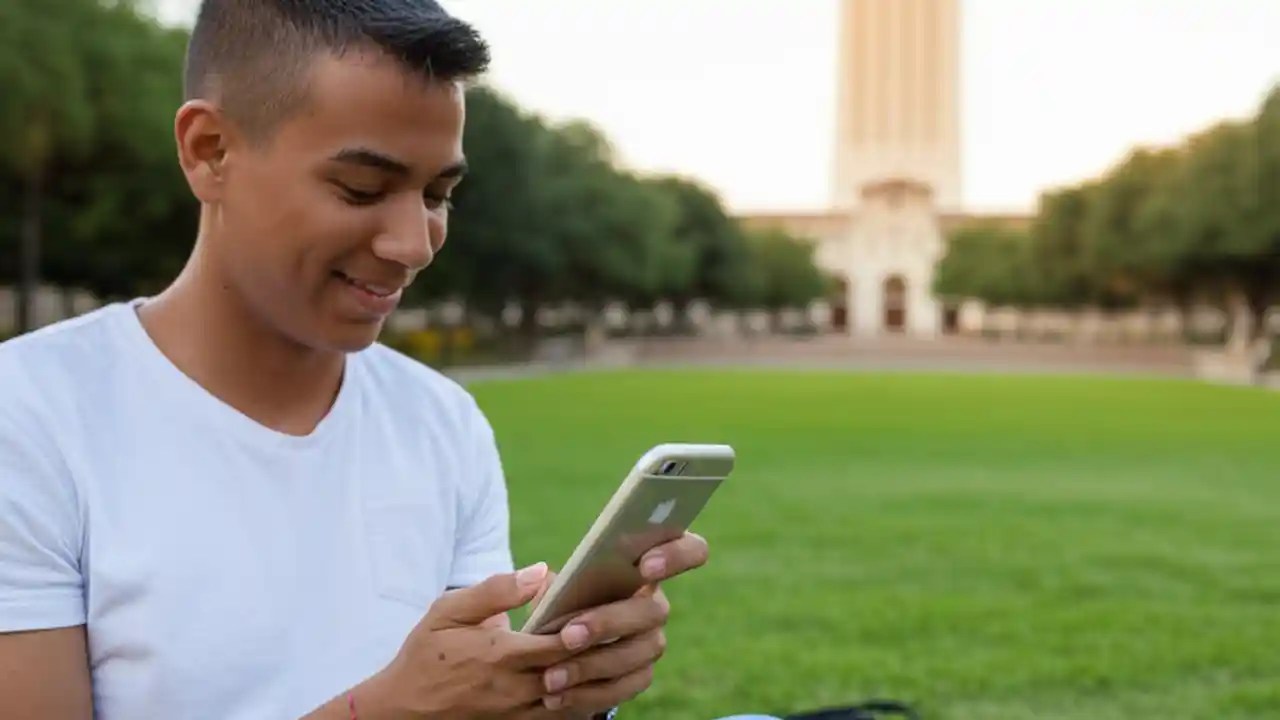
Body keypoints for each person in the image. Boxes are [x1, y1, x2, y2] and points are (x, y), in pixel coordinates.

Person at [0, 1, 783, 718]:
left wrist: (558, 687)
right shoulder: (32, 418)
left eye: (438, 194)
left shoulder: (440, 423)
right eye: (362, 189)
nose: (413, 244)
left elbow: (460, 700)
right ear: (210, 152)